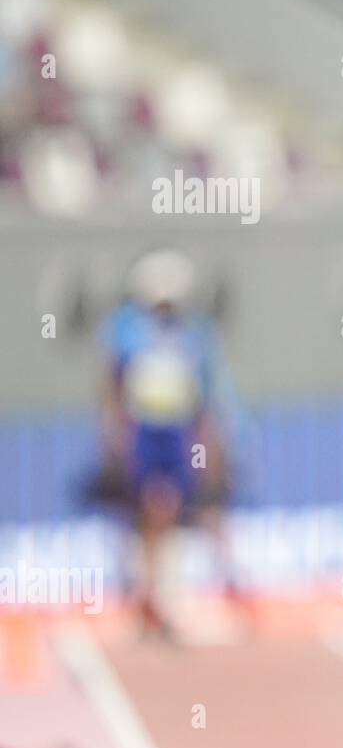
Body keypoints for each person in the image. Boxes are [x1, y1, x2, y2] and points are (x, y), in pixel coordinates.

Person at [99, 248, 240, 637]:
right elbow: (114, 388)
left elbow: (203, 398)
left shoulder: (192, 335)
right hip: (145, 433)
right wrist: (116, 437)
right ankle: (148, 598)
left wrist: (209, 446)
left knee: (176, 510)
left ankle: (167, 598)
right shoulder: (127, 332)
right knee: (148, 515)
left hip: (177, 435)